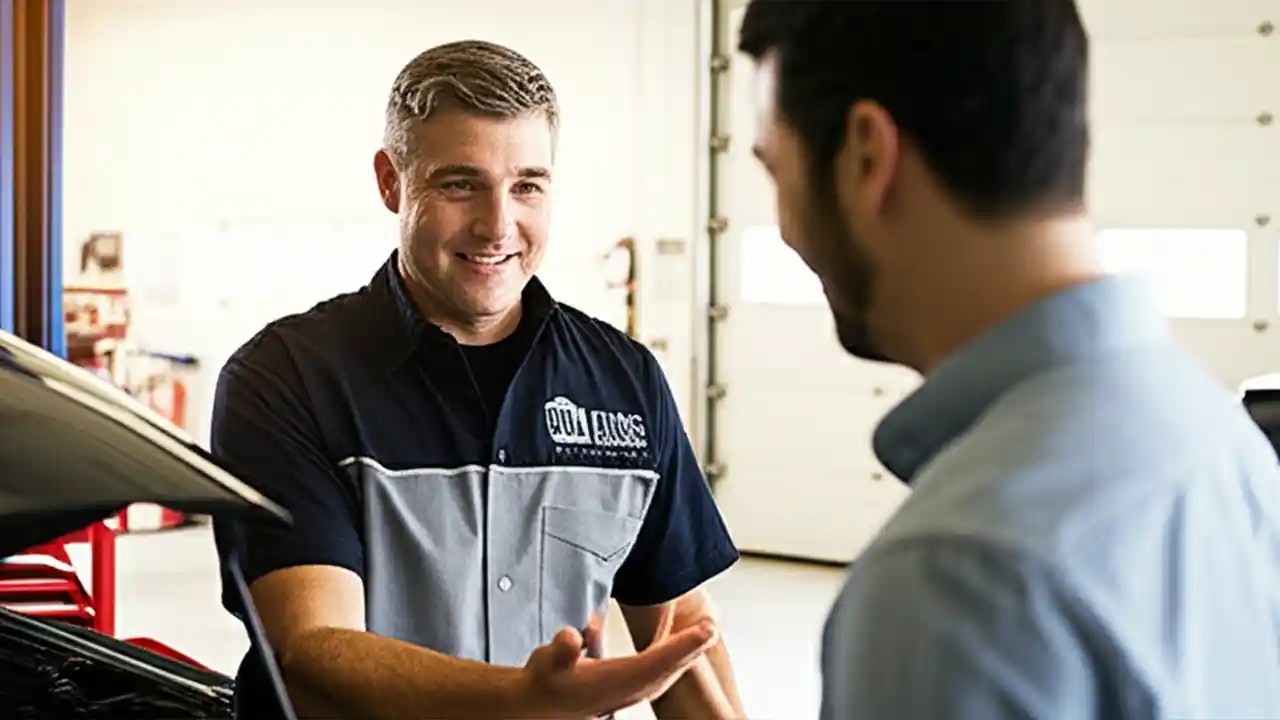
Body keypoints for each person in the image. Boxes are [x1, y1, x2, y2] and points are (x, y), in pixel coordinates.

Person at [737, 1, 1280, 718]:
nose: (784, 227)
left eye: (777, 171)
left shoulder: (957, 576)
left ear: (867, 155)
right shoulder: (1218, 434)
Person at [210, 40, 744, 719]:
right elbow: (312, 655)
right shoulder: (286, 378)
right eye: (460, 183)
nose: (498, 226)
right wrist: (524, 700)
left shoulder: (625, 381)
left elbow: (679, 630)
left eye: (527, 185)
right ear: (390, 181)